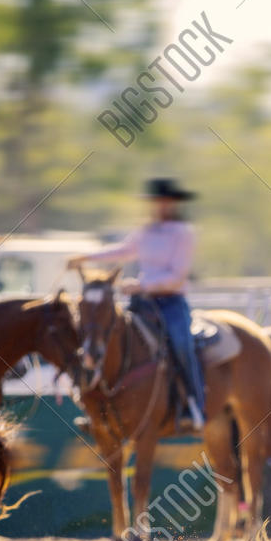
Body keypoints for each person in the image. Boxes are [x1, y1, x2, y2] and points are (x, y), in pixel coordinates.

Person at [69, 178, 204, 430]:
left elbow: (177, 277)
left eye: (165, 202)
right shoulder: (146, 231)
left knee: (182, 345)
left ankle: (193, 405)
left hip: (171, 302)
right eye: (157, 202)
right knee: (107, 338)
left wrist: (141, 285)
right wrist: (86, 258)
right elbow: (121, 251)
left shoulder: (183, 233)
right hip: (142, 302)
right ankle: (96, 406)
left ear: (174, 204)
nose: (161, 206)